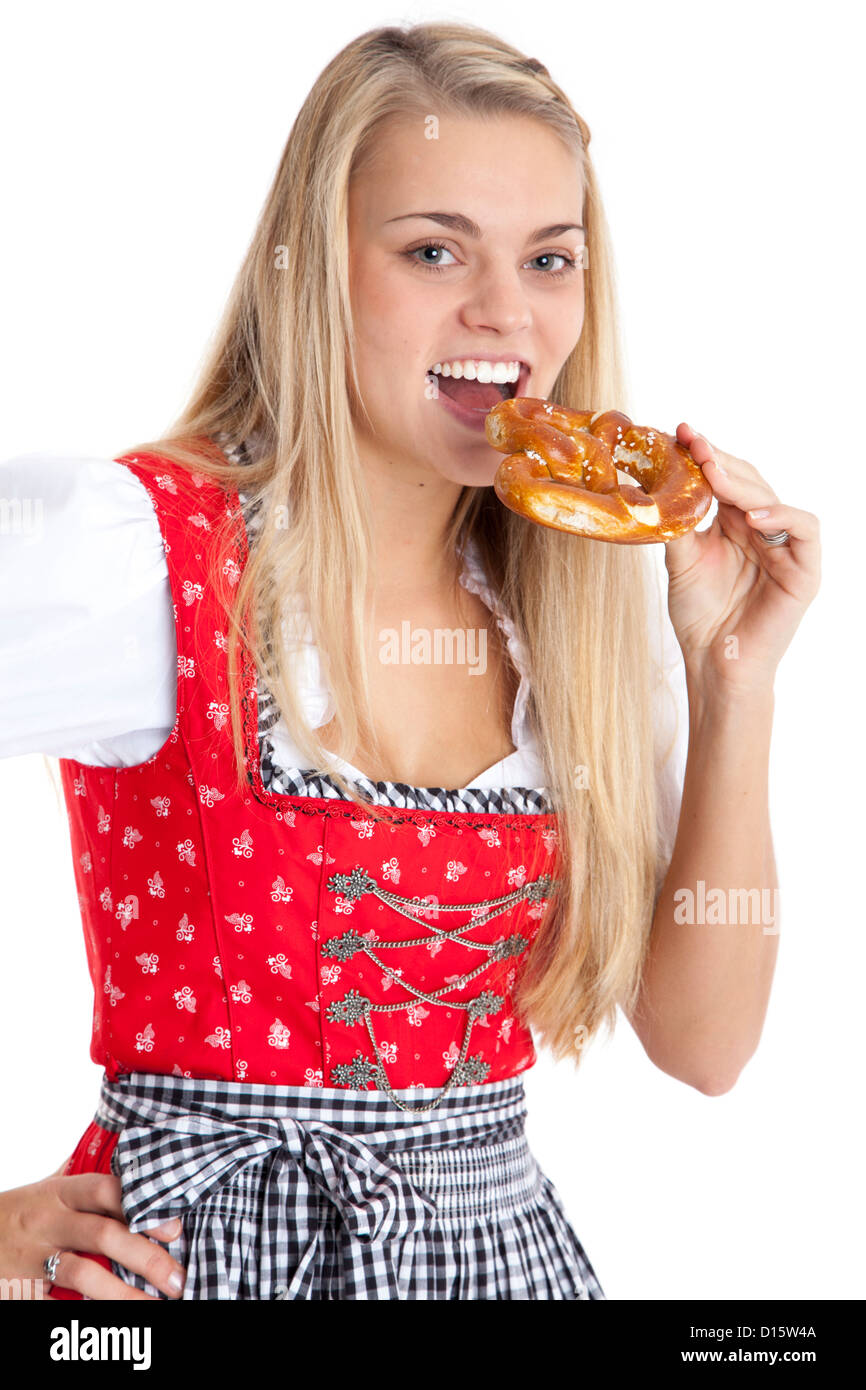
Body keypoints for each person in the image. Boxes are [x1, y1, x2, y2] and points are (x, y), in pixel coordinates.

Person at [0, 20, 820, 1301]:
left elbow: (706, 1049)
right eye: (432, 251)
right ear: (312, 270)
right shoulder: (133, 552)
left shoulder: (574, 618)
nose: (503, 315)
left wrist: (734, 680)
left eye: (549, 259)